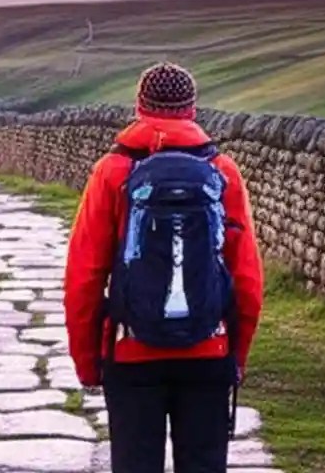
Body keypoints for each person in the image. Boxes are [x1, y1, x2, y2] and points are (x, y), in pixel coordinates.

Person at [64, 62, 263, 473]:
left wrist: (88, 361)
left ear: (139, 105)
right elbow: (246, 278)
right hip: (209, 348)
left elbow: (84, 276)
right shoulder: (222, 173)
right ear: (192, 108)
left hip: (131, 350)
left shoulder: (112, 172)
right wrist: (237, 356)